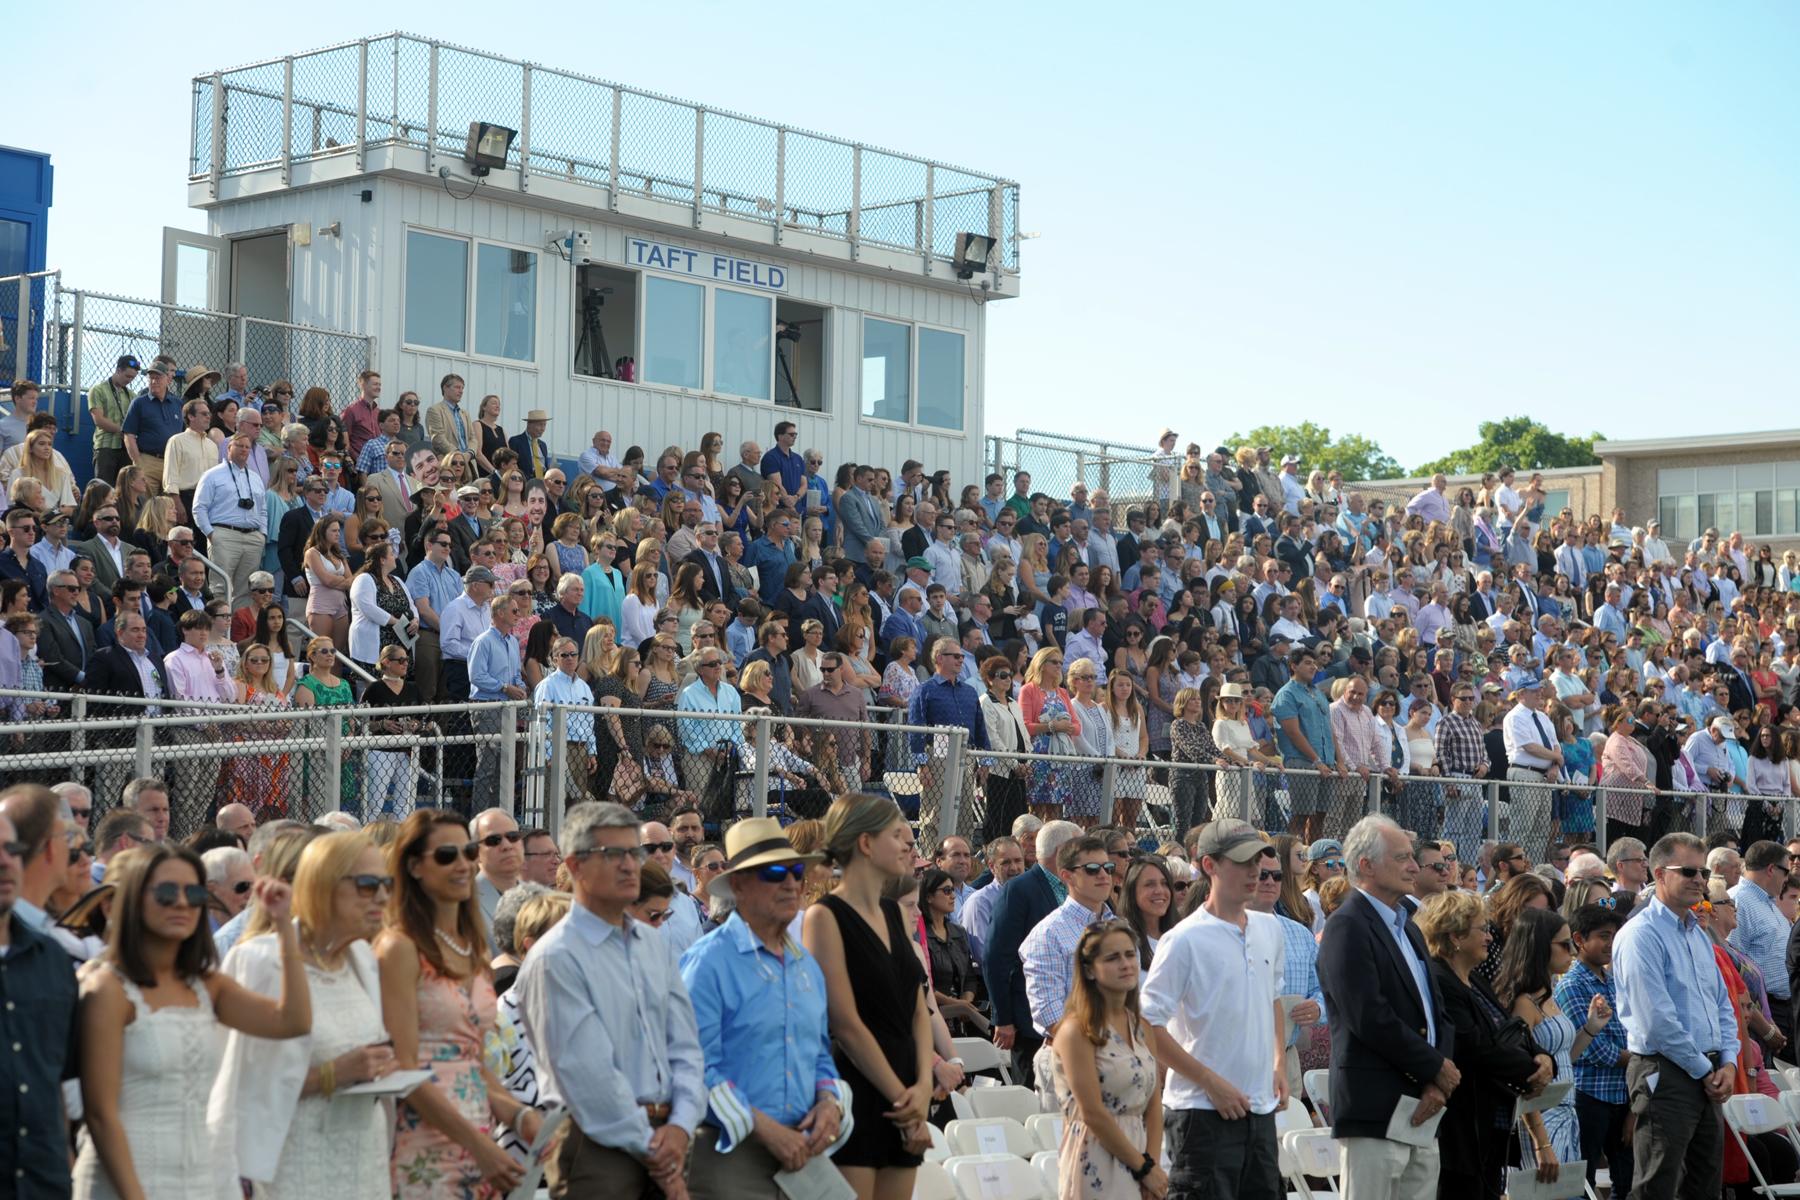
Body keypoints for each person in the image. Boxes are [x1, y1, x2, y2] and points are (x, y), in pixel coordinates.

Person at [73, 843, 311, 1200]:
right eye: (167, 892)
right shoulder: (107, 988)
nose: (183, 903)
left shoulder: (207, 985)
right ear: (131, 899)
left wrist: (283, 927)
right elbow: (101, 1114)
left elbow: (292, 1021)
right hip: (124, 1177)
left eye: (194, 893)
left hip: (199, 1177)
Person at [514, 801, 705, 1198]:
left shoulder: (652, 944)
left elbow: (686, 1046)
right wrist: (658, 1155)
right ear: (576, 865)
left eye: (634, 852)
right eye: (613, 854)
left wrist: (683, 1124)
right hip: (598, 1146)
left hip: (670, 1135)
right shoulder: (556, 957)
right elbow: (587, 1075)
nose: (630, 865)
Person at [209, 831, 397, 1197]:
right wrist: (331, 1075)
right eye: (366, 884)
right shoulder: (262, 959)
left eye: (386, 883)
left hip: (363, 1159)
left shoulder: (360, 958)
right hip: (294, 1164)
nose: (383, 897)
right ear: (321, 886)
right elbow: (233, 1087)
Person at [677, 817, 849, 1199]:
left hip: (803, 1151)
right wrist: (768, 1131)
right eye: (774, 872)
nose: (791, 883)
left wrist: (829, 1103)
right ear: (738, 884)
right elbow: (691, 1067)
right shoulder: (707, 962)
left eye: (797, 872)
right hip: (731, 1153)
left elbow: (818, 1053)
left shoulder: (805, 964)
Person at [375, 811, 531, 1197]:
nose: (462, 863)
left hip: (479, 1130)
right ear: (413, 866)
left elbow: (472, 1060)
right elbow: (403, 1070)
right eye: (446, 855)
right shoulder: (399, 948)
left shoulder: (473, 948)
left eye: (466, 851)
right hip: (422, 1140)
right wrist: (479, 1145)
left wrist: (520, 1116)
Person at [1141, 819, 1285, 1198]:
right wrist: (1210, 1083)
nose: (1255, 871)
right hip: (1200, 1115)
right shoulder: (1183, 940)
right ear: (1209, 865)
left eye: (1259, 860)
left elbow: (1273, 999)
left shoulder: (1269, 929)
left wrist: (1278, 1064)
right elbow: (1147, 1025)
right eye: (1242, 861)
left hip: (1259, 1111)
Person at [1315, 814, 1457, 1198]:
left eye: (1412, 857)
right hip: (1375, 1111)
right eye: (1401, 858)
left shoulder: (1408, 926)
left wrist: (1436, 1082)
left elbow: (1437, 1011)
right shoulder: (1347, 926)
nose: (1414, 867)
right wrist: (1435, 1068)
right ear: (1366, 865)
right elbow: (1369, 1017)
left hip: (1423, 1109)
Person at [801, 794, 933, 1199]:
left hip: (909, 1087)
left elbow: (917, 1010)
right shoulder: (824, 916)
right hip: (861, 1088)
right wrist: (903, 1099)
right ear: (865, 844)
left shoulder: (894, 912)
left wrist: (924, 1086)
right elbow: (845, 1023)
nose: (908, 845)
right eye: (896, 835)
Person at [1611, 831, 1739, 1200]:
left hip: (1708, 1070)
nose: (1699, 880)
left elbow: (1722, 1007)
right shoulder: (1641, 935)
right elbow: (1657, 1022)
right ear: (1659, 874)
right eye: (1687, 871)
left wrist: (1728, 1062)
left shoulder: (1698, 935)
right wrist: (1708, 1070)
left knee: (1704, 1185)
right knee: (1657, 1184)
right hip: (1665, 1072)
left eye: (1701, 872)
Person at [1417, 889, 1553, 1200]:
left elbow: (1511, 1028)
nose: (1490, 938)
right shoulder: (1441, 981)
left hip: (1492, 1120)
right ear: (1455, 935)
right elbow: (1476, 1047)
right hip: (1463, 1124)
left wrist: (1543, 1057)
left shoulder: (1474, 978)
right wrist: (1532, 1069)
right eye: (1483, 929)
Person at [1052, 919, 1166, 1200]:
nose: (1126, 964)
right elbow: (1092, 1112)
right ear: (1090, 969)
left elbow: (1153, 1106)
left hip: (1141, 1156)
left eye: (1129, 955)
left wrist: (1151, 1166)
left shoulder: (1142, 1027)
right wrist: (1142, 1168)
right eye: (1113, 958)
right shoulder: (1076, 1031)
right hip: (1096, 1156)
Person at [0, 804, 81, 1197]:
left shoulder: (53, 958)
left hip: (43, 1183)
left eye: (11, 849)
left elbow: (57, 1087)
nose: (4, 862)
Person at [1495, 905, 1589, 1180]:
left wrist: (1592, 1028)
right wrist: (1541, 1141)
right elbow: (1522, 1073)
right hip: (1540, 1117)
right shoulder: (1523, 1002)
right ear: (1538, 946)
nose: (1572, 950)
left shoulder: (1549, 993)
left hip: (1565, 1111)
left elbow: (1563, 1058)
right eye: (1564, 944)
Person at [1554, 902, 1634, 1198]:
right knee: (1583, 1179)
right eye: (1603, 936)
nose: (1610, 944)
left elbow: (1631, 1031)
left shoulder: (1612, 980)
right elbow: (1594, 1050)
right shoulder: (1572, 985)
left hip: (1621, 1093)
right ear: (1579, 939)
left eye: (1614, 935)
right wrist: (1638, 1060)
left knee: (1627, 1177)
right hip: (1589, 1095)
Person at [471, 808, 524, 927]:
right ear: (476, 852)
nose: (507, 845)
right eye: (494, 840)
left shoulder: (539, 898)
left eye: (512, 836)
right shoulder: (463, 902)